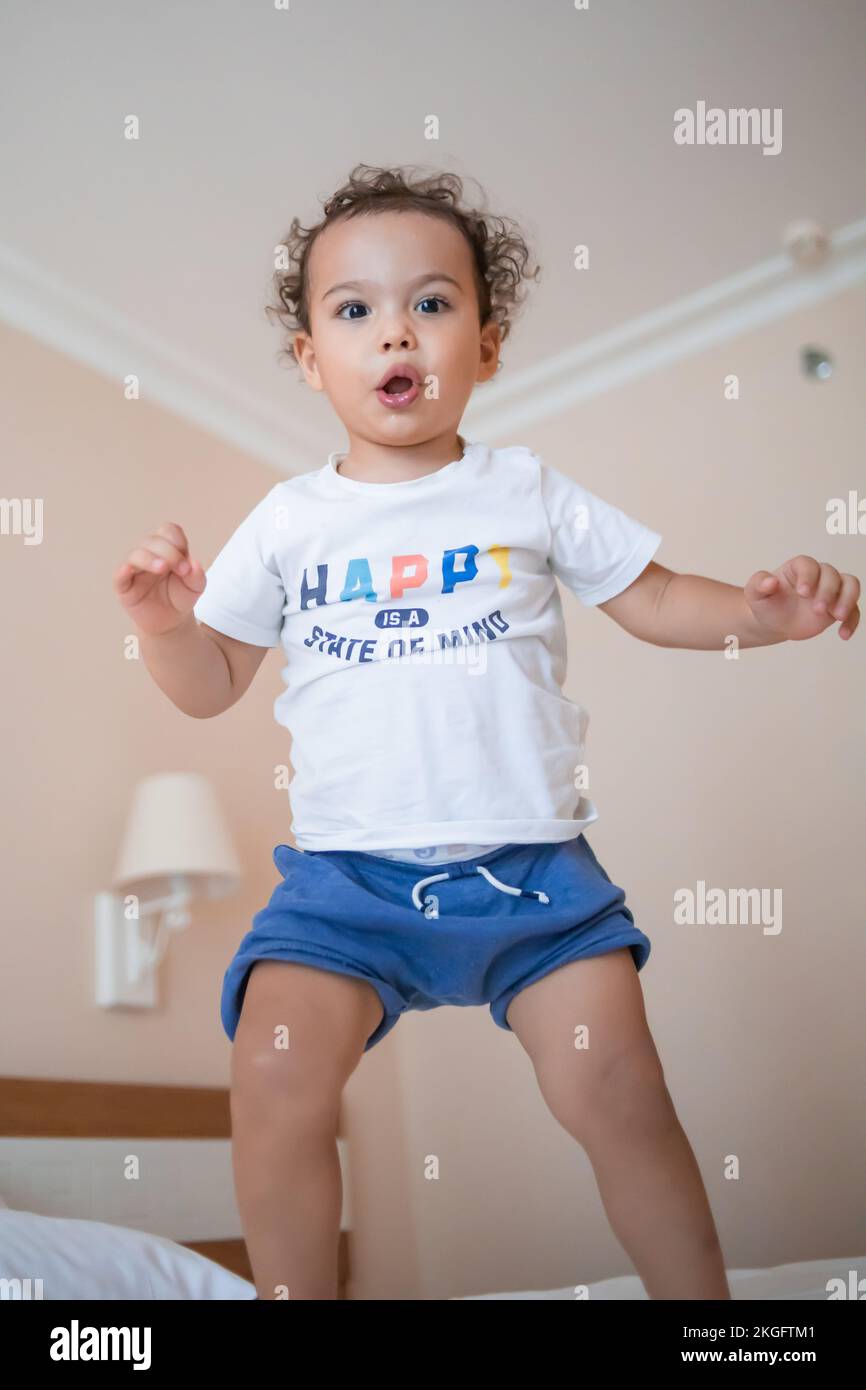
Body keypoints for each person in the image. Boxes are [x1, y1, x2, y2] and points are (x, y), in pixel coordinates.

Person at [113, 164, 860, 1301]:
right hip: (344, 886)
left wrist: (760, 613)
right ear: (313, 360)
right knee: (270, 1082)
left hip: (531, 875)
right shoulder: (287, 520)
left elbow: (655, 600)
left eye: (431, 301)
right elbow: (209, 681)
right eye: (353, 310)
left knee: (620, 1097)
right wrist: (167, 624)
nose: (394, 331)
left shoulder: (525, 490)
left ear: (486, 342)